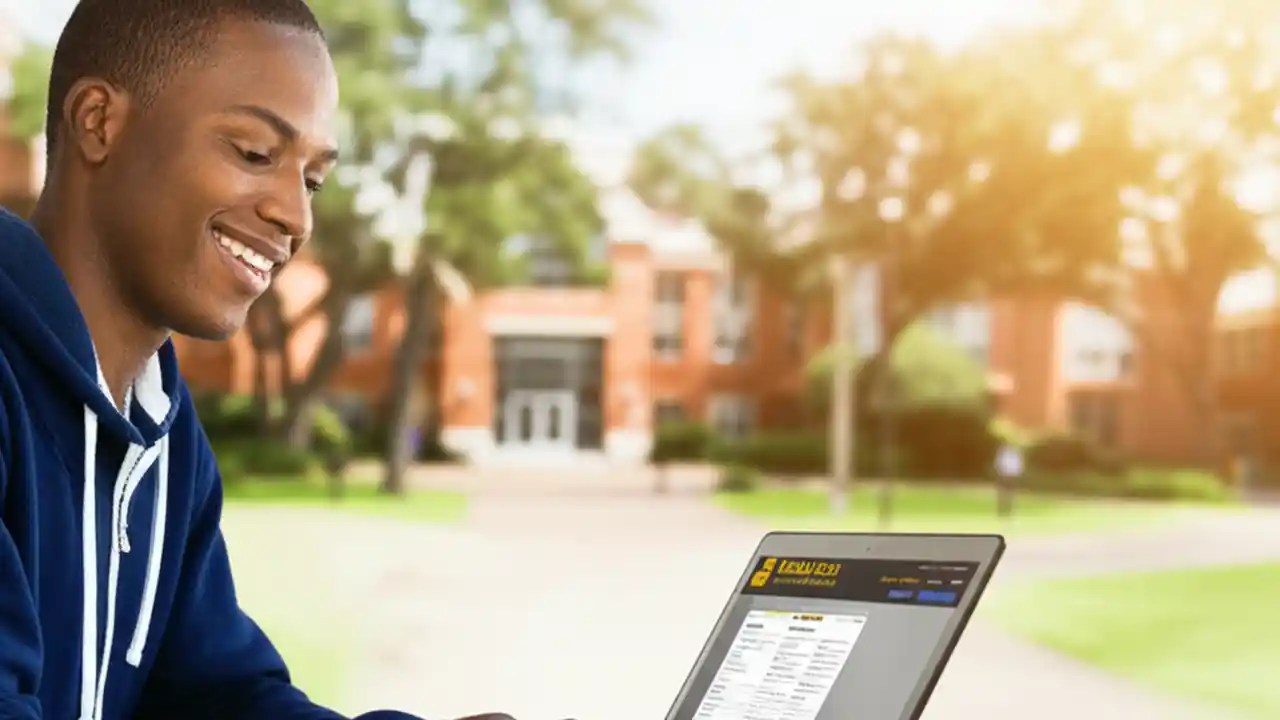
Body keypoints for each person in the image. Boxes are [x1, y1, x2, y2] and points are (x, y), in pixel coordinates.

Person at [0, 1, 514, 718]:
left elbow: (220, 697)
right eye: (253, 153)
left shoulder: (167, 442)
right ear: (98, 122)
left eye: (312, 181)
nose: (295, 217)